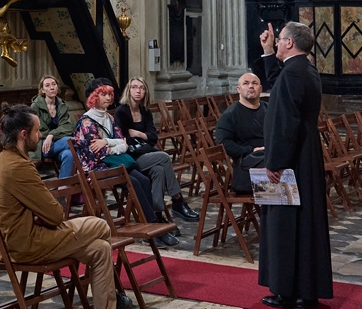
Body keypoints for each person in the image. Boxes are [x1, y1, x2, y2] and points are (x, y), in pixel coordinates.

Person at [0, 105, 145, 309]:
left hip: (35, 234)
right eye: (37, 131)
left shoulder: (8, 159)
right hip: (30, 243)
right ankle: (117, 297)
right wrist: (46, 214)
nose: (40, 136)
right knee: (101, 226)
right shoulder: (17, 167)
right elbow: (55, 214)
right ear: (22, 134)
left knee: (101, 249)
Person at [257, 21, 332, 309]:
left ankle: (285, 291)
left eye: (278, 41)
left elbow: (284, 123)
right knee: (305, 224)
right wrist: (266, 52)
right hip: (306, 154)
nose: (276, 43)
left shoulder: (293, 73)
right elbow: (282, 84)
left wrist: (275, 163)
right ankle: (304, 291)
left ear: (289, 43)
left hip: (290, 159)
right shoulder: (306, 69)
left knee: (284, 224)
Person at [72, 78, 178, 246]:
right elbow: (97, 153)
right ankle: (153, 229)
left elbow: (124, 143)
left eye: (110, 94)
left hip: (115, 164)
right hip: (97, 168)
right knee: (134, 182)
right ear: (94, 97)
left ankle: (151, 226)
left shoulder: (109, 118)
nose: (108, 97)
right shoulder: (87, 122)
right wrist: (114, 145)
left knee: (144, 180)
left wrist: (107, 142)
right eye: (103, 94)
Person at [115, 77, 197, 221]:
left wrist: (138, 134)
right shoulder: (121, 111)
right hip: (131, 158)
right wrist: (142, 138)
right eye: (134, 87)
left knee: (158, 170)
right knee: (164, 157)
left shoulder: (145, 111)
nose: (138, 91)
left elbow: (153, 137)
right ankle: (177, 200)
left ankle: (156, 213)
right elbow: (123, 139)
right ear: (128, 90)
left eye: (142, 88)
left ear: (146, 91)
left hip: (146, 153)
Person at [214, 72, 267, 193]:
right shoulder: (229, 116)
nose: (251, 86)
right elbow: (224, 145)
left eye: (254, 83)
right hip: (247, 168)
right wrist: (252, 150)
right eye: (246, 83)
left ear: (261, 88)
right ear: (239, 89)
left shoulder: (269, 109)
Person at [30, 74, 76, 177]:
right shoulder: (35, 106)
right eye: (47, 85)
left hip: (56, 142)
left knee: (69, 154)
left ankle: (63, 187)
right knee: (73, 141)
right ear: (42, 90)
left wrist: (51, 135)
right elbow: (38, 129)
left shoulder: (62, 105)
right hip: (42, 145)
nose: (51, 87)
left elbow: (67, 127)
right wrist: (50, 136)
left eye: (54, 84)